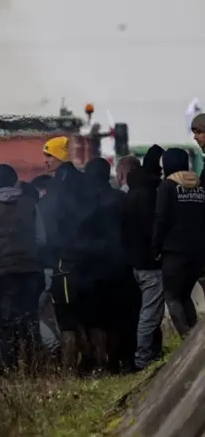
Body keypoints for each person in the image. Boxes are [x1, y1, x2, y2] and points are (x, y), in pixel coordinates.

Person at [0, 164, 46, 370]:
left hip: (3, 273)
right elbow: (41, 239)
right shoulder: (30, 203)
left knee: (8, 323)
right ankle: (36, 365)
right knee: (31, 319)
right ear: (15, 180)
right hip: (30, 269)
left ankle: (12, 367)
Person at [38, 137, 90, 372]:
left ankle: (71, 368)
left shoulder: (63, 183)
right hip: (82, 258)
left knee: (67, 316)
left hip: (65, 259)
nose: (45, 160)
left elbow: (57, 218)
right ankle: (91, 362)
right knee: (83, 314)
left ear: (59, 155)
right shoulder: (77, 179)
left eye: (49, 155)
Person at [80, 157, 132, 372]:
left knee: (95, 318)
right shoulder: (120, 198)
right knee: (118, 314)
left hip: (89, 267)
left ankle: (100, 361)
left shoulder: (80, 201)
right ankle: (119, 360)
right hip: (119, 263)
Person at [152, 148, 205, 338]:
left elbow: (160, 218)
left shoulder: (167, 186)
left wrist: (155, 246)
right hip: (198, 253)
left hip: (174, 252)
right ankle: (196, 340)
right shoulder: (199, 187)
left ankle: (186, 341)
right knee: (185, 296)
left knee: (172, 297)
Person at [125, 145, 165, 369]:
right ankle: (143, 358)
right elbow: (153, 229)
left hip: (136, 262)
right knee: (150, 314)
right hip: (150, 264)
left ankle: (150, 353)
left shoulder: (134, 191)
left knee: (147, 311)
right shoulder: (150, 193)